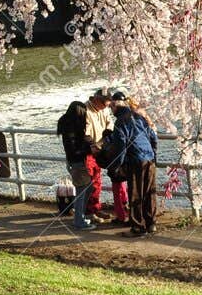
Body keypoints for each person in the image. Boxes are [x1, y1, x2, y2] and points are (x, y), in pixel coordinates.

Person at [110, 90, 160, 236]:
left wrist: (116, 166)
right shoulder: (139, 117)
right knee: (150, 193)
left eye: (111, 108)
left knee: (136, 194)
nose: (111, 111)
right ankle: (151, 224)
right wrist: (153, 155)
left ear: (115, 106)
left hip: (135, 160)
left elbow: (121, 147)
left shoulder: (120, 122)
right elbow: (153, 137)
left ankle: (138, 227)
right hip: (149, 159)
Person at [57, 101, 97, 231]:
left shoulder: (67, 126)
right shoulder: (72, 130)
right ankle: (79, 220)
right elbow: (75, 150)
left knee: (88, 188)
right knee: (82, 190)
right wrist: (89, 147)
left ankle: (80, 216)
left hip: (75, 161)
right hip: (78, 162)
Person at [87, 88, 124, 223]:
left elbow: (110, 125)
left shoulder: (103, 109)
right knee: (90, 181)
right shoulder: (86, 110)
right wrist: (94, 145)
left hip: (102, 148)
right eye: (105, 104)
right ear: (97, 100)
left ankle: (96, 208)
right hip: (91, 150)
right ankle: (89, 211)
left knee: (98, 181)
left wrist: (105, 141)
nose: (107, 107)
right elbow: (85, 131)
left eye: (108, 105)